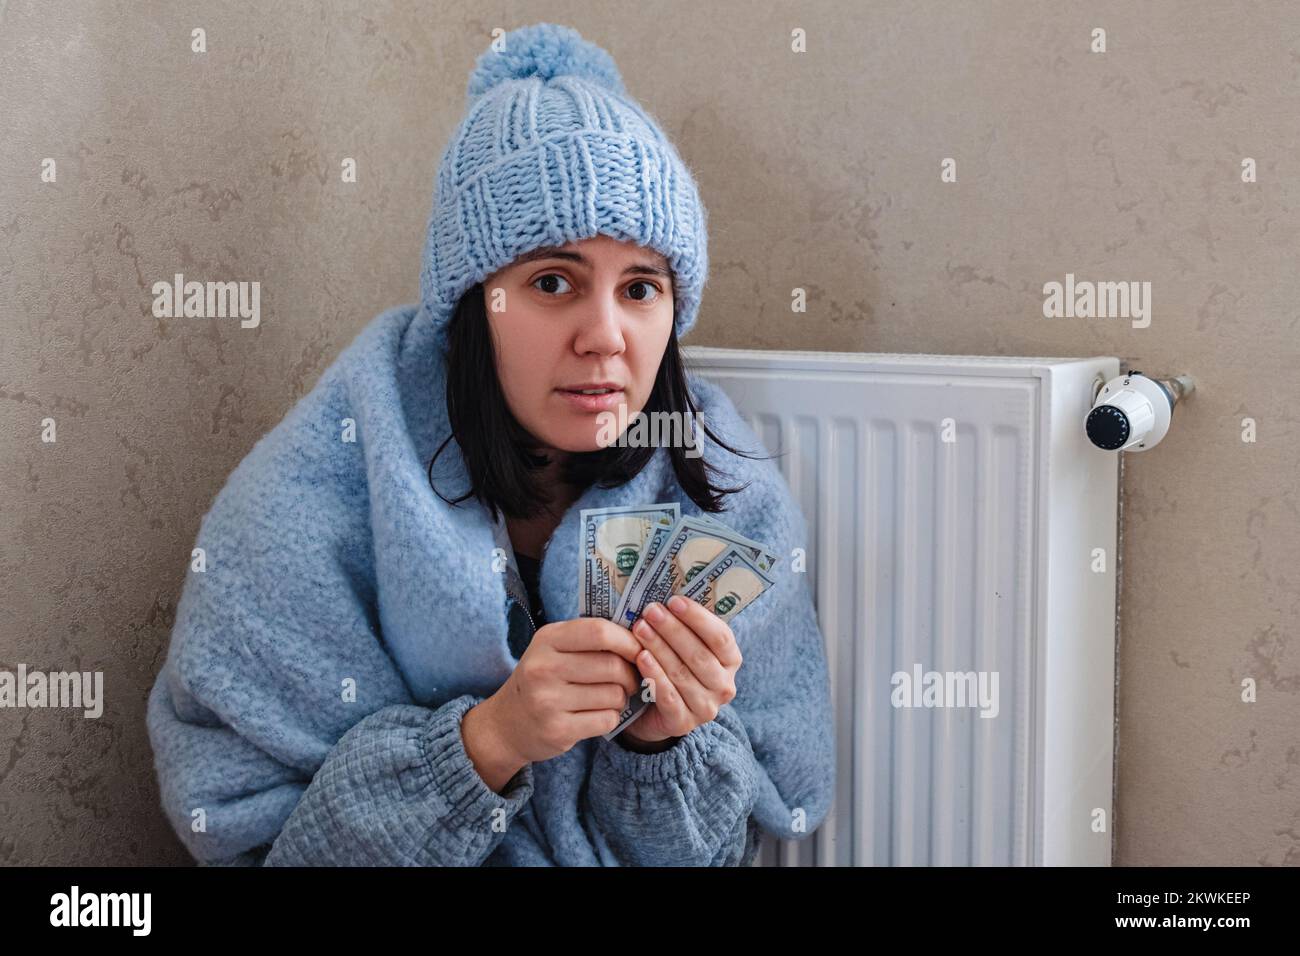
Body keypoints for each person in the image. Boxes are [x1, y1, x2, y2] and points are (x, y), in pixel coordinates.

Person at [146, 21, 835, 867]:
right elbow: (271, 847)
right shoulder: (311, 497)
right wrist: (489, 740)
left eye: (642, 287)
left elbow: (724, 848)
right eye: (554, 282)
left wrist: (657, 747)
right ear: (475, 303)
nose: (606, 336)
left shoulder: (722, 493)